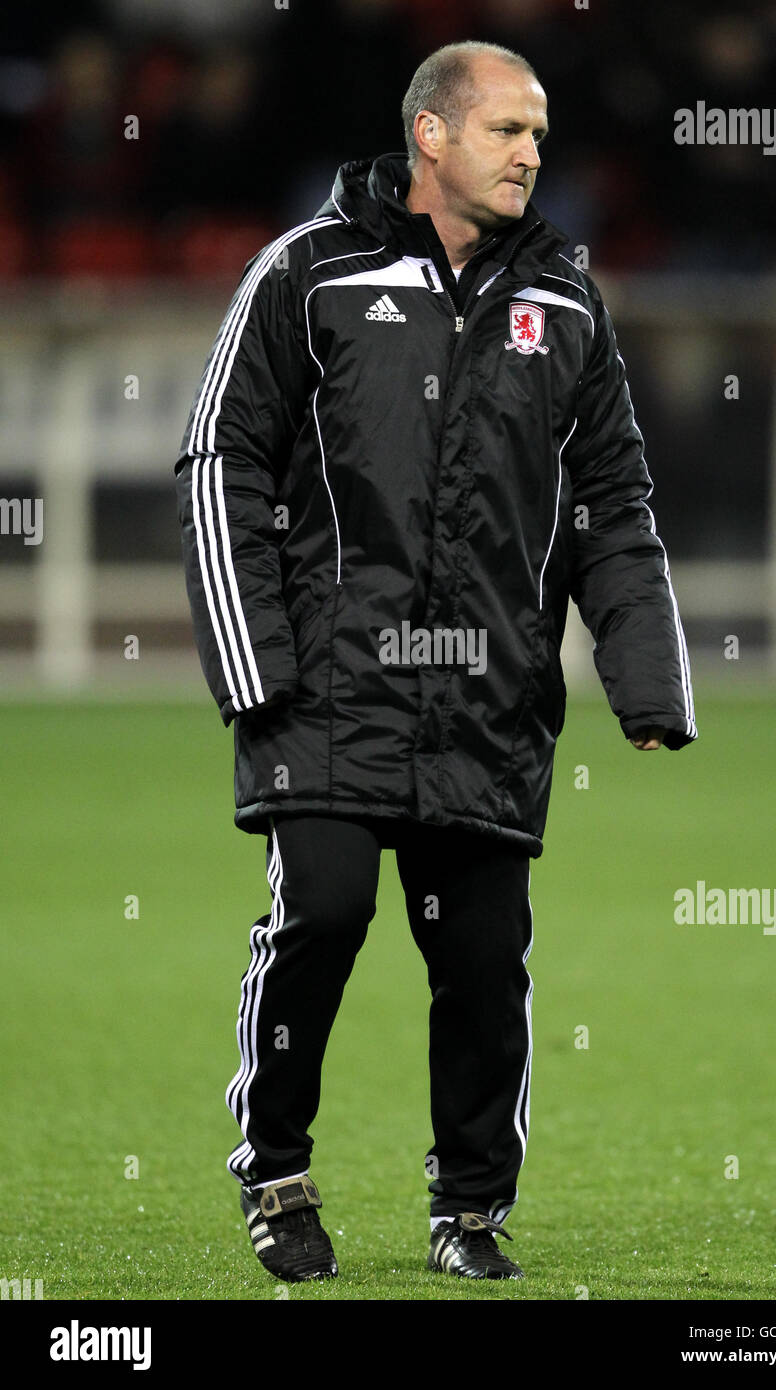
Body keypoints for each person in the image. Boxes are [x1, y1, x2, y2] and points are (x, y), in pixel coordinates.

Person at [174, 39, 696, 1285]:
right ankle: (277, 1171)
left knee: (478, 959)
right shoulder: (305, 273)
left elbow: (611, 503)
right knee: (326, 912)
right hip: (325, 688)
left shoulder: (564, 299)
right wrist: (255, 663)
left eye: (540, 132)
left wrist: (645, 679)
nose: (531, 153)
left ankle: (467, 1211)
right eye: (509, 129)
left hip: (487, 694)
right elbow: (219, 462)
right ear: (431, 135)